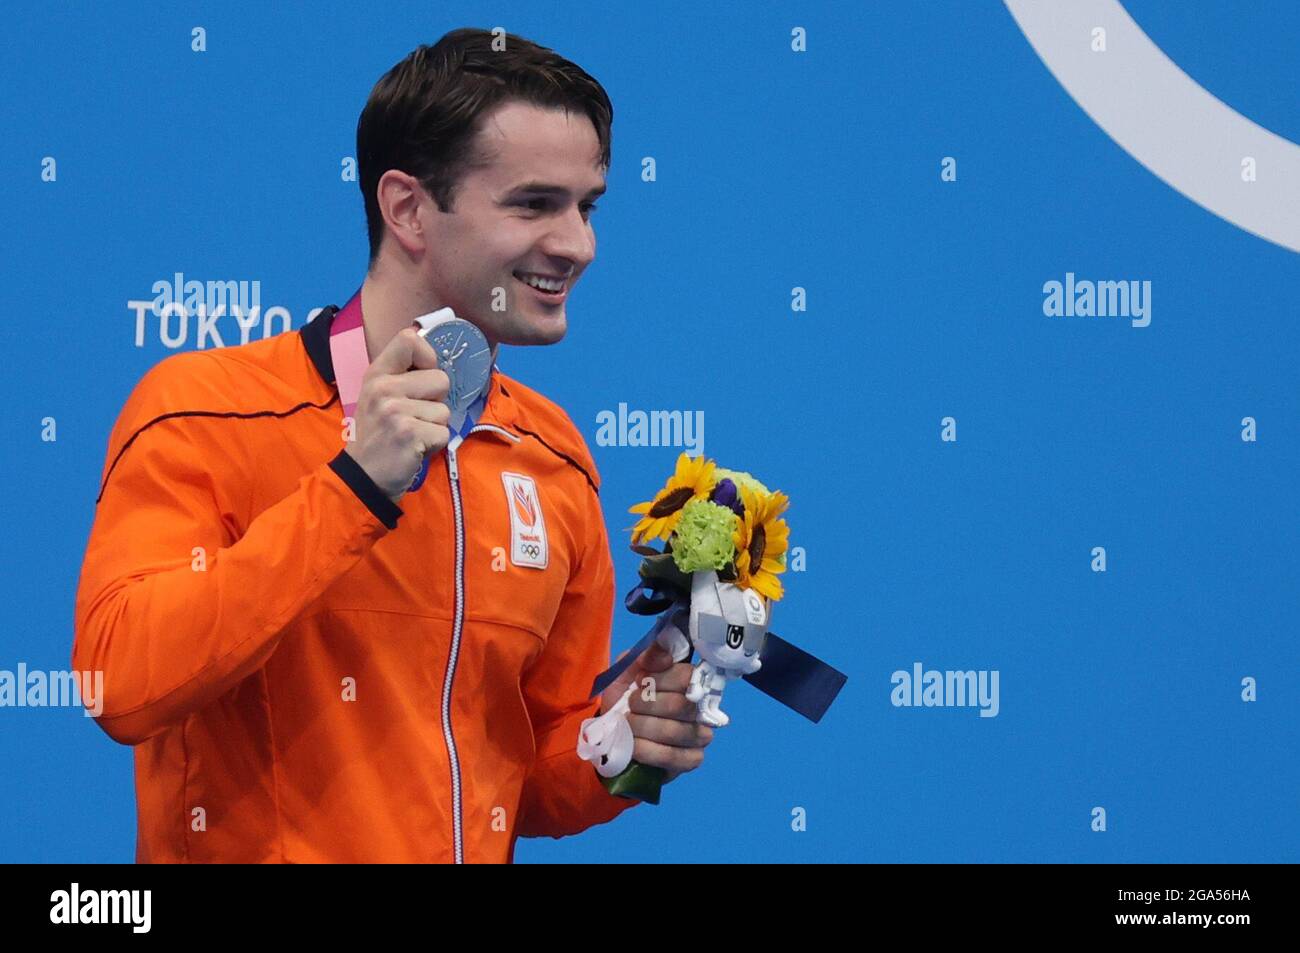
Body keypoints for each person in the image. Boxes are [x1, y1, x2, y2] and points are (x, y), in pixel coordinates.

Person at [72, 27, 713, 864]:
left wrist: (621, 747)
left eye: (586, 205)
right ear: (408, 207)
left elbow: (523, 776)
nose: (578, 244)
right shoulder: (204, 410)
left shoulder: (550, 456)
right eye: (533, 203)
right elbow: (118, 684)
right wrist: (353, 489)